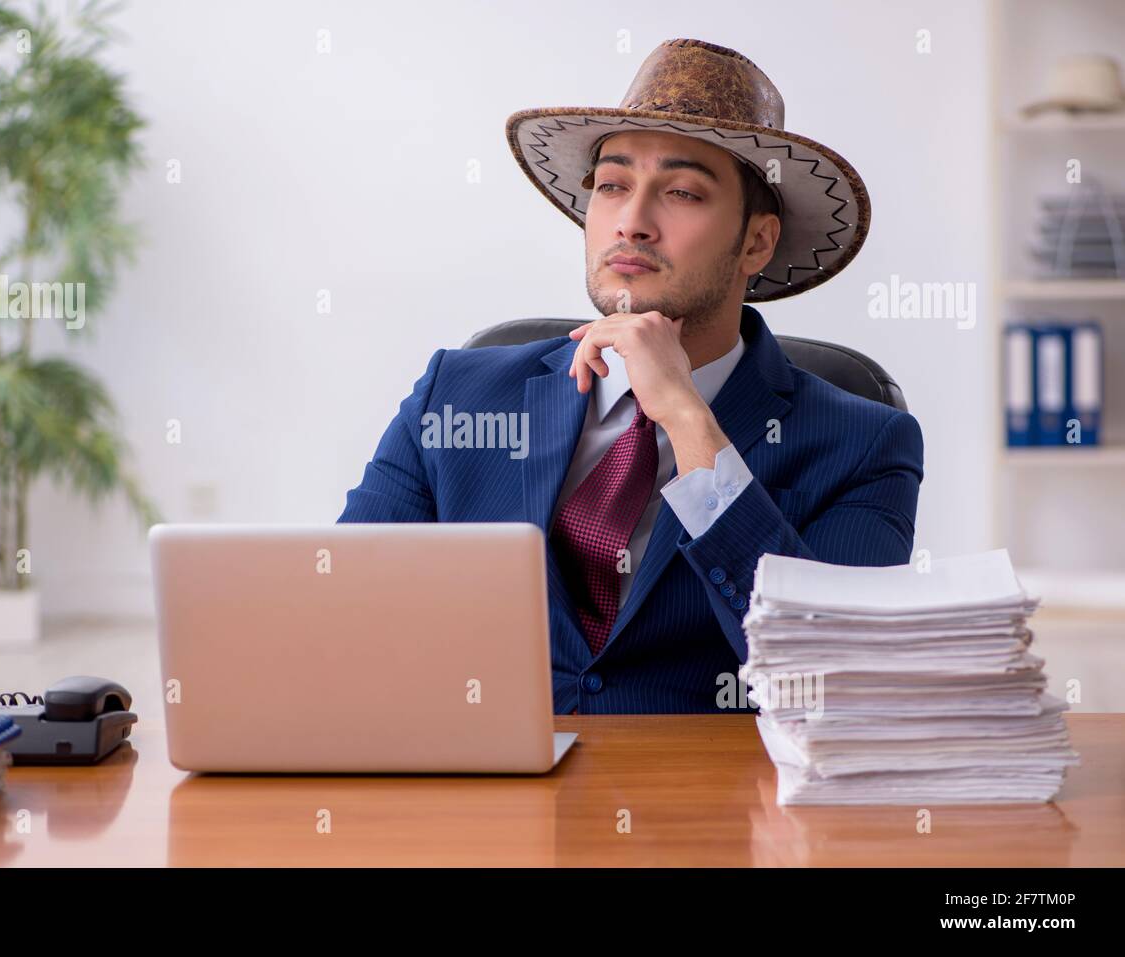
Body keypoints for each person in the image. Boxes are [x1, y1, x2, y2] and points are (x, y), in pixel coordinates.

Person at [338, 39, 924, 714]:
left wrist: (688, 419)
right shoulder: (457, 395)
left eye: (681, 192)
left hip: (711, 809)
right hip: (485, 798)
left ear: (757, 242)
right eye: (613, 185)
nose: (633, 222)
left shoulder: (865, 442)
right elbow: (348, 620)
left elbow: (839, 689)